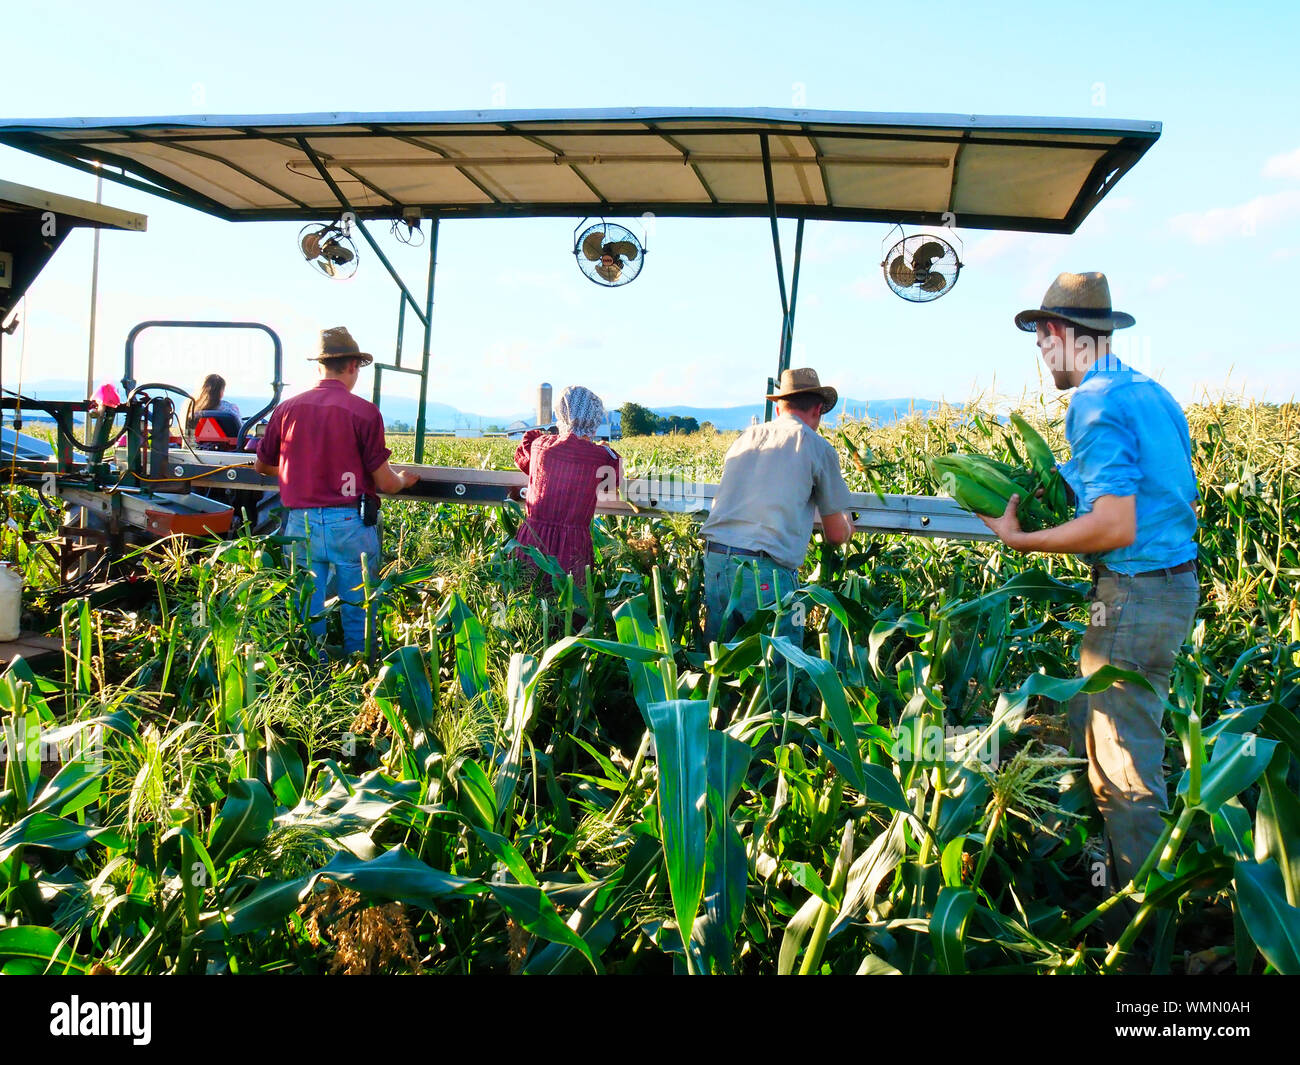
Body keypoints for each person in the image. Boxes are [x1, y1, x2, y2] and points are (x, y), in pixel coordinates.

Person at [978, 272, 1199, 890]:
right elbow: (1145, 492)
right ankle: (1098, 877)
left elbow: (1114, 523)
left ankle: (1142, 932)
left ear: (1055, 332)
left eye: (1040, 342)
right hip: (1164, 588)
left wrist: (1022, 540)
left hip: (1135, 590)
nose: (1043, 358)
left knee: (1121, 766)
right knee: (1089, 726)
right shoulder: (1151, 393)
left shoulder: (1095, 400)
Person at [253, 327, 418, 657]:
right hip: (349, 524)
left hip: (300, 526)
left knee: (306, 612)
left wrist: (301, 469)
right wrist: (403, 479)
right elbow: (385, 483)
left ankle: (312, 676)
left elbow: (263, 466)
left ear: (319, 366)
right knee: (359, 610)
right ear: (354, 366)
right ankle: (360, 674)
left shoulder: (286, 410)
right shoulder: (364, 412)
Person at [700, 367, 854, 645]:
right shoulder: (817, 447)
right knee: (777, 666)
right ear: (818, 410)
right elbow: (836, 534)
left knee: (720, 663)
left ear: (780, 405)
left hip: (716, 561)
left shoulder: (745, 438)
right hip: (764, 571)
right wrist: (848, 522)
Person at [513, 385, 621, 590]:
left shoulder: (540, 446)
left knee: (526, 602)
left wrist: (552, 433)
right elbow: (615, 480)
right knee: (569, 610)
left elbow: (524, 454)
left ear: (559, 414)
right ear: (595, 421)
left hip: (532, 541)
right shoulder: (600, 457)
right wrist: (604, 448)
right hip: (572, 548)